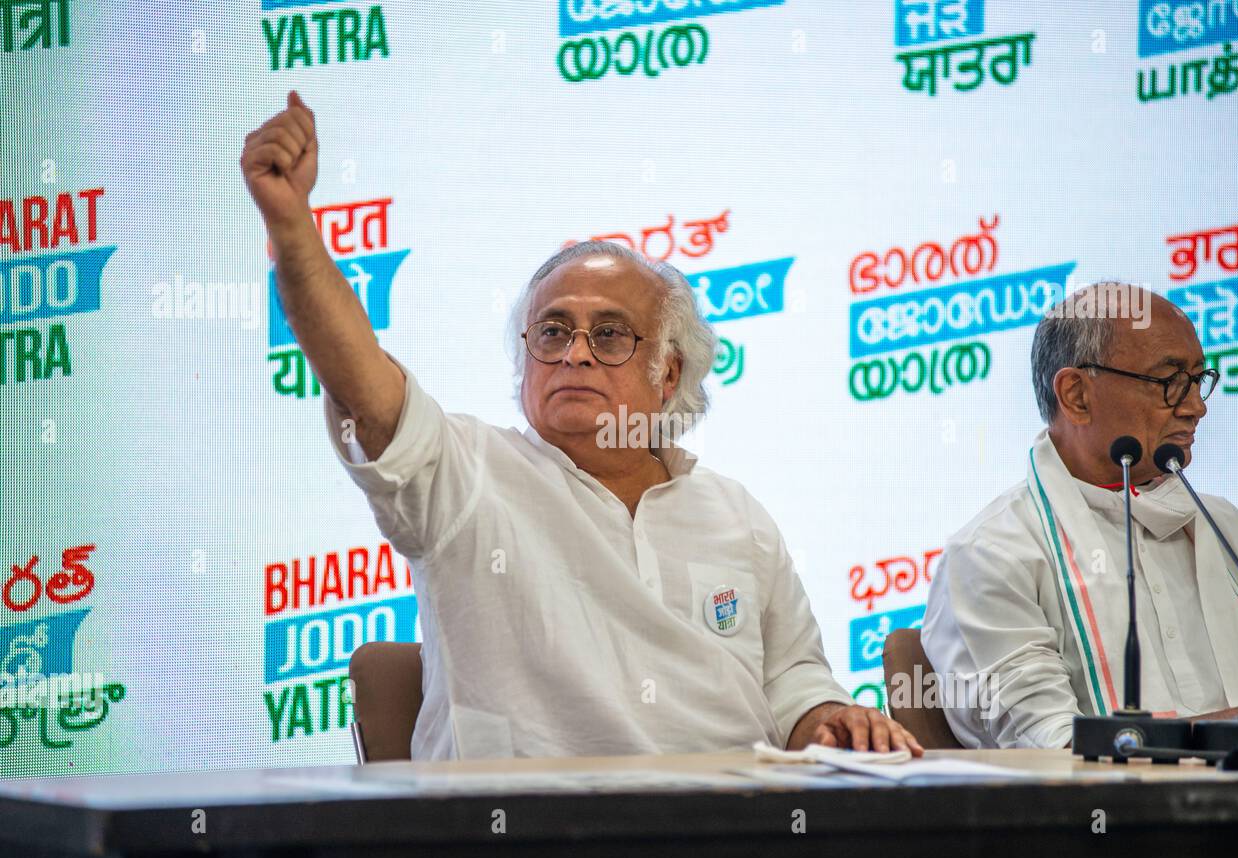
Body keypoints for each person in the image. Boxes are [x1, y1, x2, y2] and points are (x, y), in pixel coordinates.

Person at [240, 91, 922, 760]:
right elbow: (362, 384)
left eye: (610, 333)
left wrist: (831, 720)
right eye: (553, 330)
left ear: (669, 374)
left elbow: (794, 684)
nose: (575, 352)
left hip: (733, 824)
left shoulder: (734, 514)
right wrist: (294, 230)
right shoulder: (467, 475)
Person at [921, 282, 1238, 748]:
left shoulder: (1223, 528)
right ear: (1077, 395)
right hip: (1105, 820)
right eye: (1170, 381)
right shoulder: (991, 555)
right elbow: (1054, 749)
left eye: (1199, 380)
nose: (1197, 406)